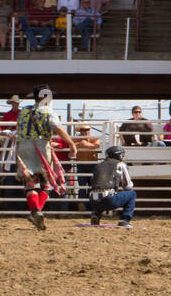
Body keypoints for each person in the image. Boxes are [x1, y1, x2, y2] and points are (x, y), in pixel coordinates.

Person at [15, 85, 78, 230]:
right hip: (42, 146)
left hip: (24, 146)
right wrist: (71, 144)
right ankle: (37, 210)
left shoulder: (24, 111)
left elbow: (19, 128)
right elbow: (58, 128)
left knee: (30, 183)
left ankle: (35, 211)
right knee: (46, 183)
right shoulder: (48, 111)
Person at [87, 147, 137, 228]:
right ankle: (124, 220)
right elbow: (128, 186)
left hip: (93, 201)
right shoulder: (120, 164)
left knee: (99, 194)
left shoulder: (98, 165)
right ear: (119, 155)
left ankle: (96, 214)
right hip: (108, 199)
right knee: (132, 194)